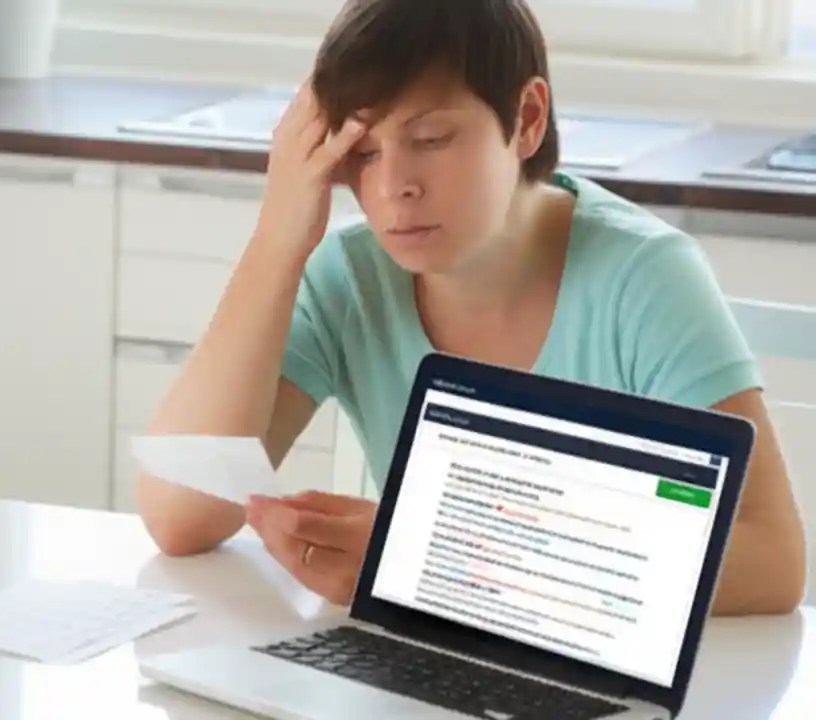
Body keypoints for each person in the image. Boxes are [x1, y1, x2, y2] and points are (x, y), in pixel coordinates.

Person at [135, 0, 806, 616]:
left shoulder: (644, 277)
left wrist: (432, 557)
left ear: (527, 120)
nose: (395, 186)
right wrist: (278, 241)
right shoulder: (350, 276)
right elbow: (181, 514)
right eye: (362, 152)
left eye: (430, 140)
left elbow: (773, 562)